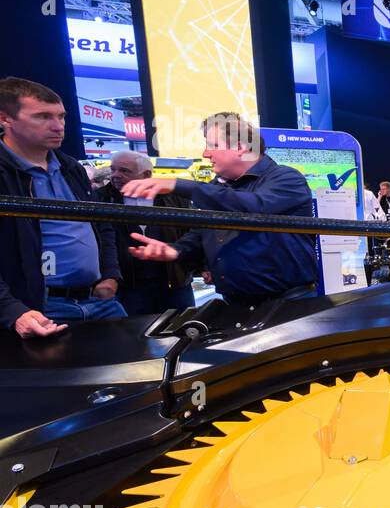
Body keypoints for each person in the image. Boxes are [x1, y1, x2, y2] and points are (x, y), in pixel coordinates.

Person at [124, 112, 320, 306]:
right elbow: (202, 232)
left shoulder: (286, 178)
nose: (206, 153)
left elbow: (254, 207)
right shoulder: (218, 188)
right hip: (236, 305)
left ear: (241, 147)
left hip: (288, 306)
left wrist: (183, 186)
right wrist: (176, 251)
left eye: (213, 145)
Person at [0, 77, 125, 337]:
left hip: (99, 301)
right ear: (5, 119)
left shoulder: (70, 168)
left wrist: (111, 275)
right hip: (38, 311)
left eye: (62, 116)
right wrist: (12, 310)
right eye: (43, 116)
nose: (58, 126)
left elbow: (102, 225)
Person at [98, 150, 194, 315]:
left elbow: (192, 232)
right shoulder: (99, 199)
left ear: (147, 174)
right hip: (126, 286)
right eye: (113, 169)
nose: (115, 175)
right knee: (131, 336)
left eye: (124, 170)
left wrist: (204, 266)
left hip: (174, 282)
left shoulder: (176, 198)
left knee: (182, 329)